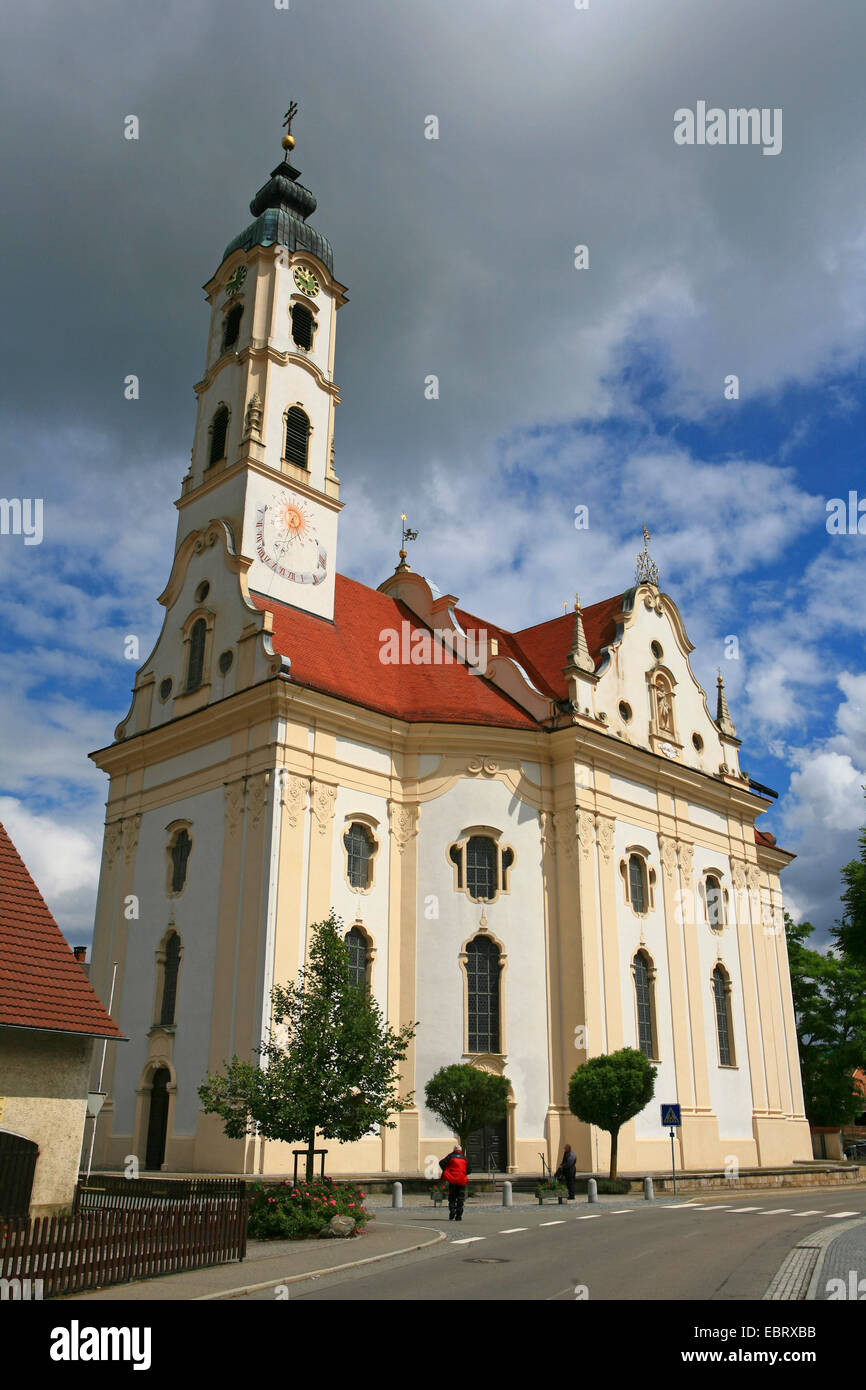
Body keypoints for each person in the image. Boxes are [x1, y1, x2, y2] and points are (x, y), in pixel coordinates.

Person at [439, 1145, 471, 1221]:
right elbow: (469, 1169)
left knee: (452, 1197)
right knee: (460, 1198)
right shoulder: (464, 1158)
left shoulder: (450, 1156)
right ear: (460, 1150)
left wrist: (447, 1170)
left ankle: (452, 1211)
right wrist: (463, 1173)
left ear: (454, 1150)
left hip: (452, 1179)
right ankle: (459, 1215)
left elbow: (441, 1163)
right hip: (462, 1180)